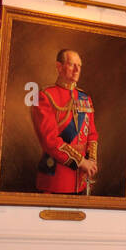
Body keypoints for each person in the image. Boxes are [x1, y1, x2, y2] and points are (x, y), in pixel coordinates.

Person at [31, 48, 98, 195]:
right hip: (56, 180)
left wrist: (91, 162)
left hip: (81, 179)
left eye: (79, 66)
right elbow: (50, 141)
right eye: (71, 65)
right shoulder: (44, 96)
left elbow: (92, 134)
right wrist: (81, 162)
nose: (76, 70)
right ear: (59, 67)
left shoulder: (85, 98)